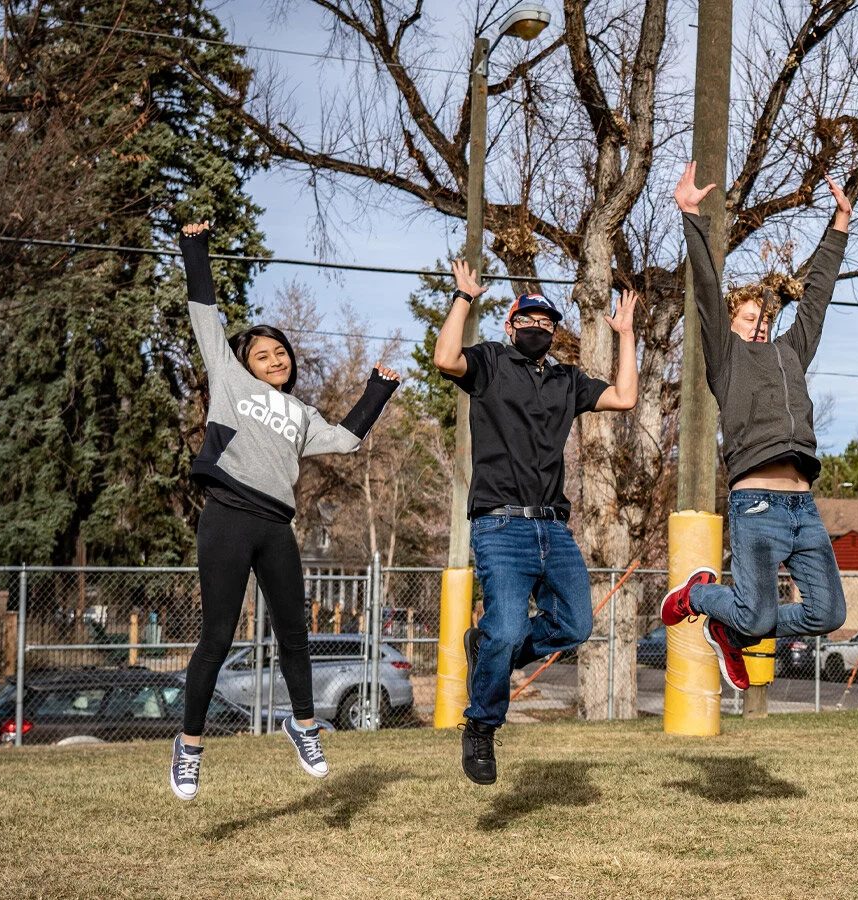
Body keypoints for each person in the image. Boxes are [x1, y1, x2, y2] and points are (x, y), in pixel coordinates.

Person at [171, 222, 401, 802]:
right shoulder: (228, 381)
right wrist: (196, 248)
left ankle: (303, 727)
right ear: (245, 364)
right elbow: (204, 313)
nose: (274, 359)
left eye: (280, 353)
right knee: (218, 637)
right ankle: (190, 746)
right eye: (262, 354)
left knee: (295, 634)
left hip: (276, 527)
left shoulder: (299, 414)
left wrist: (377, 390)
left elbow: (347, 439)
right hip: (227, 516)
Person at [433, 261, 640, 785]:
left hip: (554, 527)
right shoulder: (489, 363)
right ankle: (481, 725)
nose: (539, 328)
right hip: (500, 528)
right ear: (510, 324)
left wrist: (626, 334)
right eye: (529, 320)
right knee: (504, 627)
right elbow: (445, 357)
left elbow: (625, 397)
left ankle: (489, 654)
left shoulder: (567, 381)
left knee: (576, 626)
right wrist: (463, 298)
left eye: (548, 323)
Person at [657, 163, 852, 691]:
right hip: (757, 505)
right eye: (748, 318)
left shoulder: (791, 351)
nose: (759, 325)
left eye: (764, 318)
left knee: (828, 614)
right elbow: (705, 288)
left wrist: (839, 225)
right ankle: (697, 597)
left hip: (803, 506)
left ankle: (732, 621)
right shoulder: (726, 358)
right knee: (759, 616)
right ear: (733, 322)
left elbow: (817, 300)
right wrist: (691, 216)